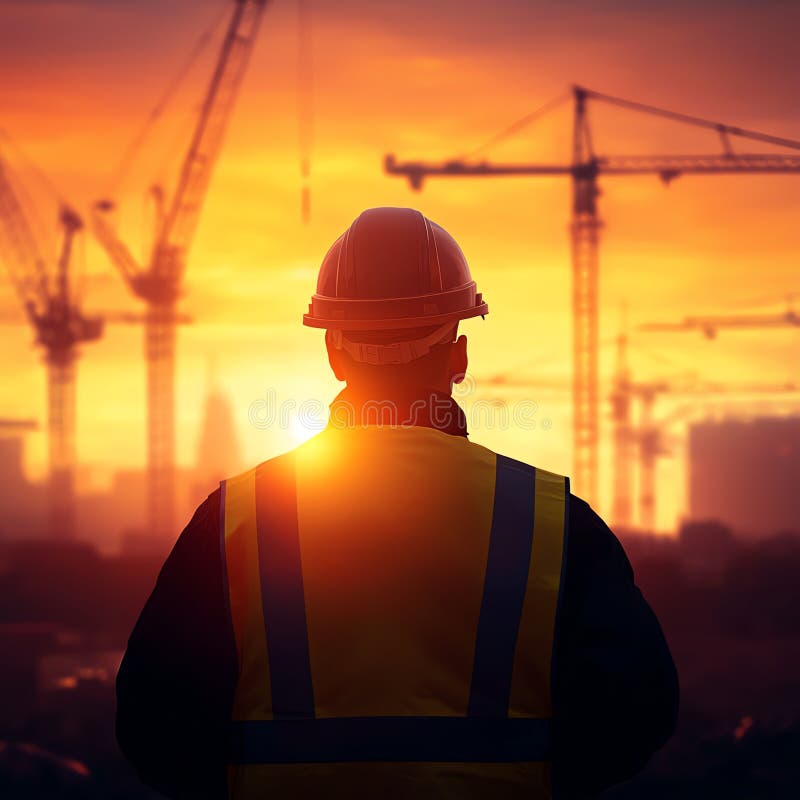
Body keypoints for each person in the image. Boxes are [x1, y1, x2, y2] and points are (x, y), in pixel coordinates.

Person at [117, 207, 679, 799]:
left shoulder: (237, 520)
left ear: (334, 355)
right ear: (458, 357)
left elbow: (154, 727)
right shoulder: (553, 521)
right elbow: (635, 714)